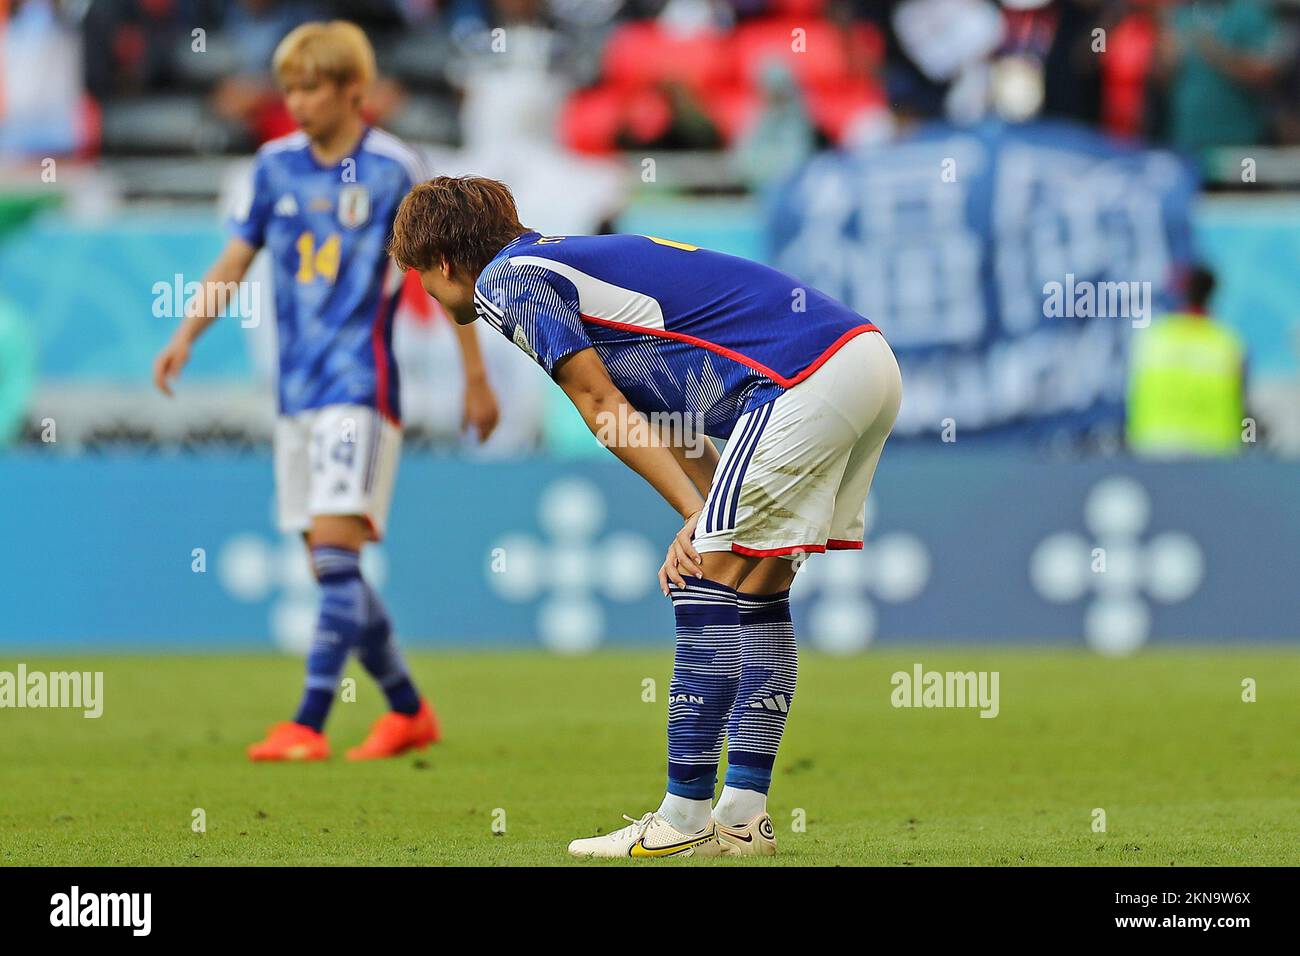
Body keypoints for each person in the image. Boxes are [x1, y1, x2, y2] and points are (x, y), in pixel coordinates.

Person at [389, 176, 901, 858]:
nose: (424, 290)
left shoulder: (507, 281)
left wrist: (698, 520)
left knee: (702, 580)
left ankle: (684, 822)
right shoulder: (563, 266)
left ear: (444, 264)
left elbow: (603, 409)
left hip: (801, 376)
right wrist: (702, 512)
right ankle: (742, 819)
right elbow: (674, 419)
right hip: (858, 361)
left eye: (420, 275)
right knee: (758, 586)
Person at [152, 23, 500, 761]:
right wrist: (186, 334)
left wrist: (475, 376)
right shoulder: (275, 166)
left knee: (336, 561)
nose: (299, 103)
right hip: (296, 392)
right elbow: (233, 260)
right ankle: (407, 710)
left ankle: (307, 722)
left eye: (313, 88)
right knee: (329, 566)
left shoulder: (394, 167)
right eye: (290, 89)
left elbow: (447, 275)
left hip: (359, 384)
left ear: (353, 91)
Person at [1127, 265, 1247, 457]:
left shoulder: (1154, 338)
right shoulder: (1227, 343)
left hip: (1156, 449)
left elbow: (1133, 393)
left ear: (1181, 292)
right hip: (1214, 453)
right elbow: (1242, 401)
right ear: (1213, 294)